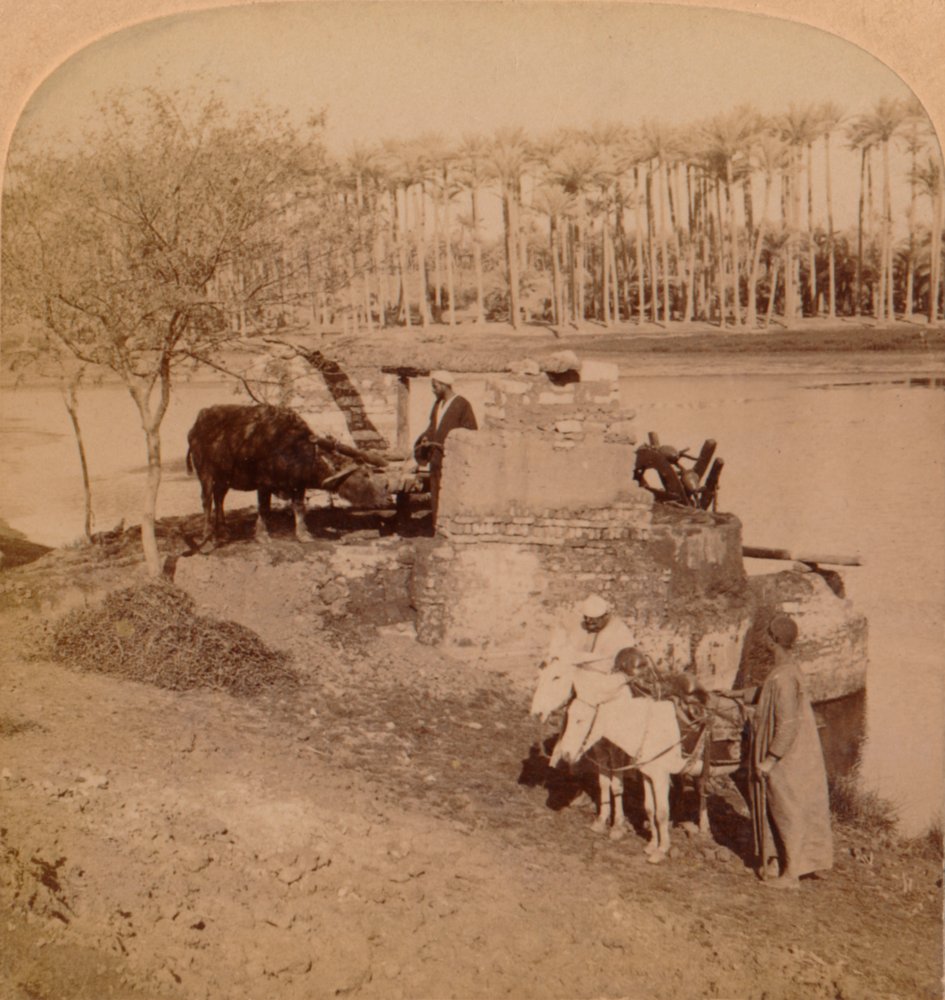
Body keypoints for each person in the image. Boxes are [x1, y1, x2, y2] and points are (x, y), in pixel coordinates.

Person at [750, 612, 834, 889]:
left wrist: (770, 760)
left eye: (766, 634)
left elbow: (786, 724)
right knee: (793, 808)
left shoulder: (783, 677)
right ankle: (788, 861)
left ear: (772, 639)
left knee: (787, 810)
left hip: (787, 758)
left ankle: (790, 876)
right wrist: (736, 695)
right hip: (801, 754)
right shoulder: (788, 669)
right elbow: (768, 694)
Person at [412, 370, 477, 521]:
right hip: (436, 458)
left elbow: (470, 432)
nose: (433, 390)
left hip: (452, 460)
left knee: (450, 494)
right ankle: (436, 526)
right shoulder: (438, 404)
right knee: (436, 493)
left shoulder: (462, 405)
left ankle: (450, 526)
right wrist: (426, 438)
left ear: (444, 385)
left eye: (434, 386)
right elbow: (432, 427)